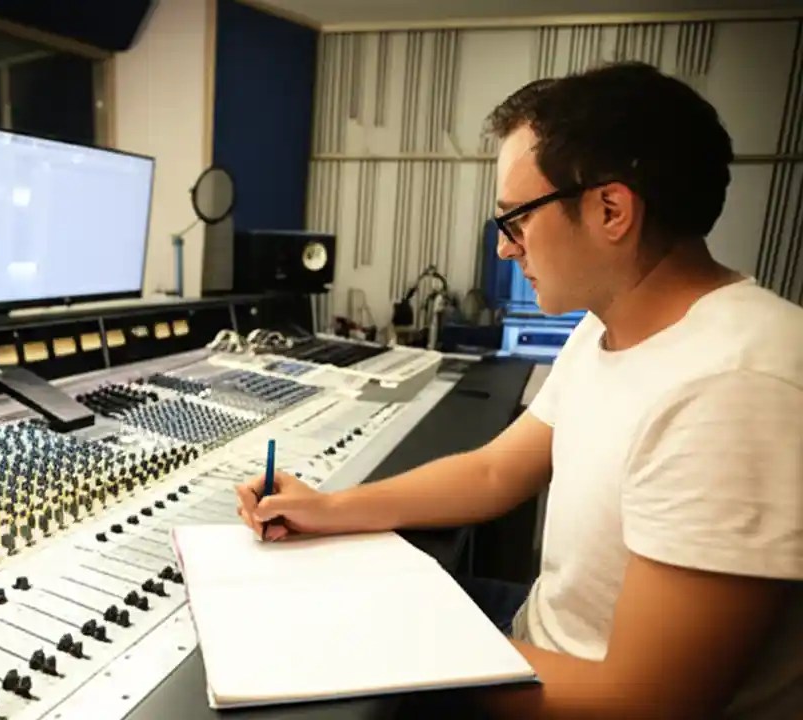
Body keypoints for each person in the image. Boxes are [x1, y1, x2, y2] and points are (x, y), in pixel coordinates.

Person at [236, 62, 802, 719]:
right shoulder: (608, 326)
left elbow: (643, 704)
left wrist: (390, 645)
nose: (506, 251)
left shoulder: (736, 387)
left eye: (516, 220)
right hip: (542, 640)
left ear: (611, 210)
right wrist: (328, 509)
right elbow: (496, 470)